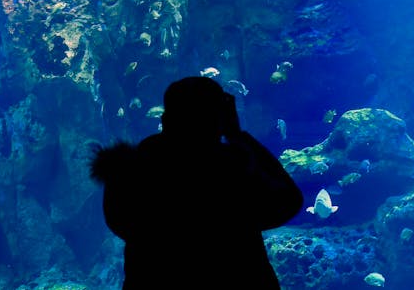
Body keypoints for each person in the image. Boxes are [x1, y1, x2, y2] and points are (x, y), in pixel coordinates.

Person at [89, 76, 304, 289]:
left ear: (165, 120)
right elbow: (289, 201)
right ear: (221, 118)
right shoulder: (233, 171)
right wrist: (237, 136)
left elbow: (119, 223)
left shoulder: (129, 171)